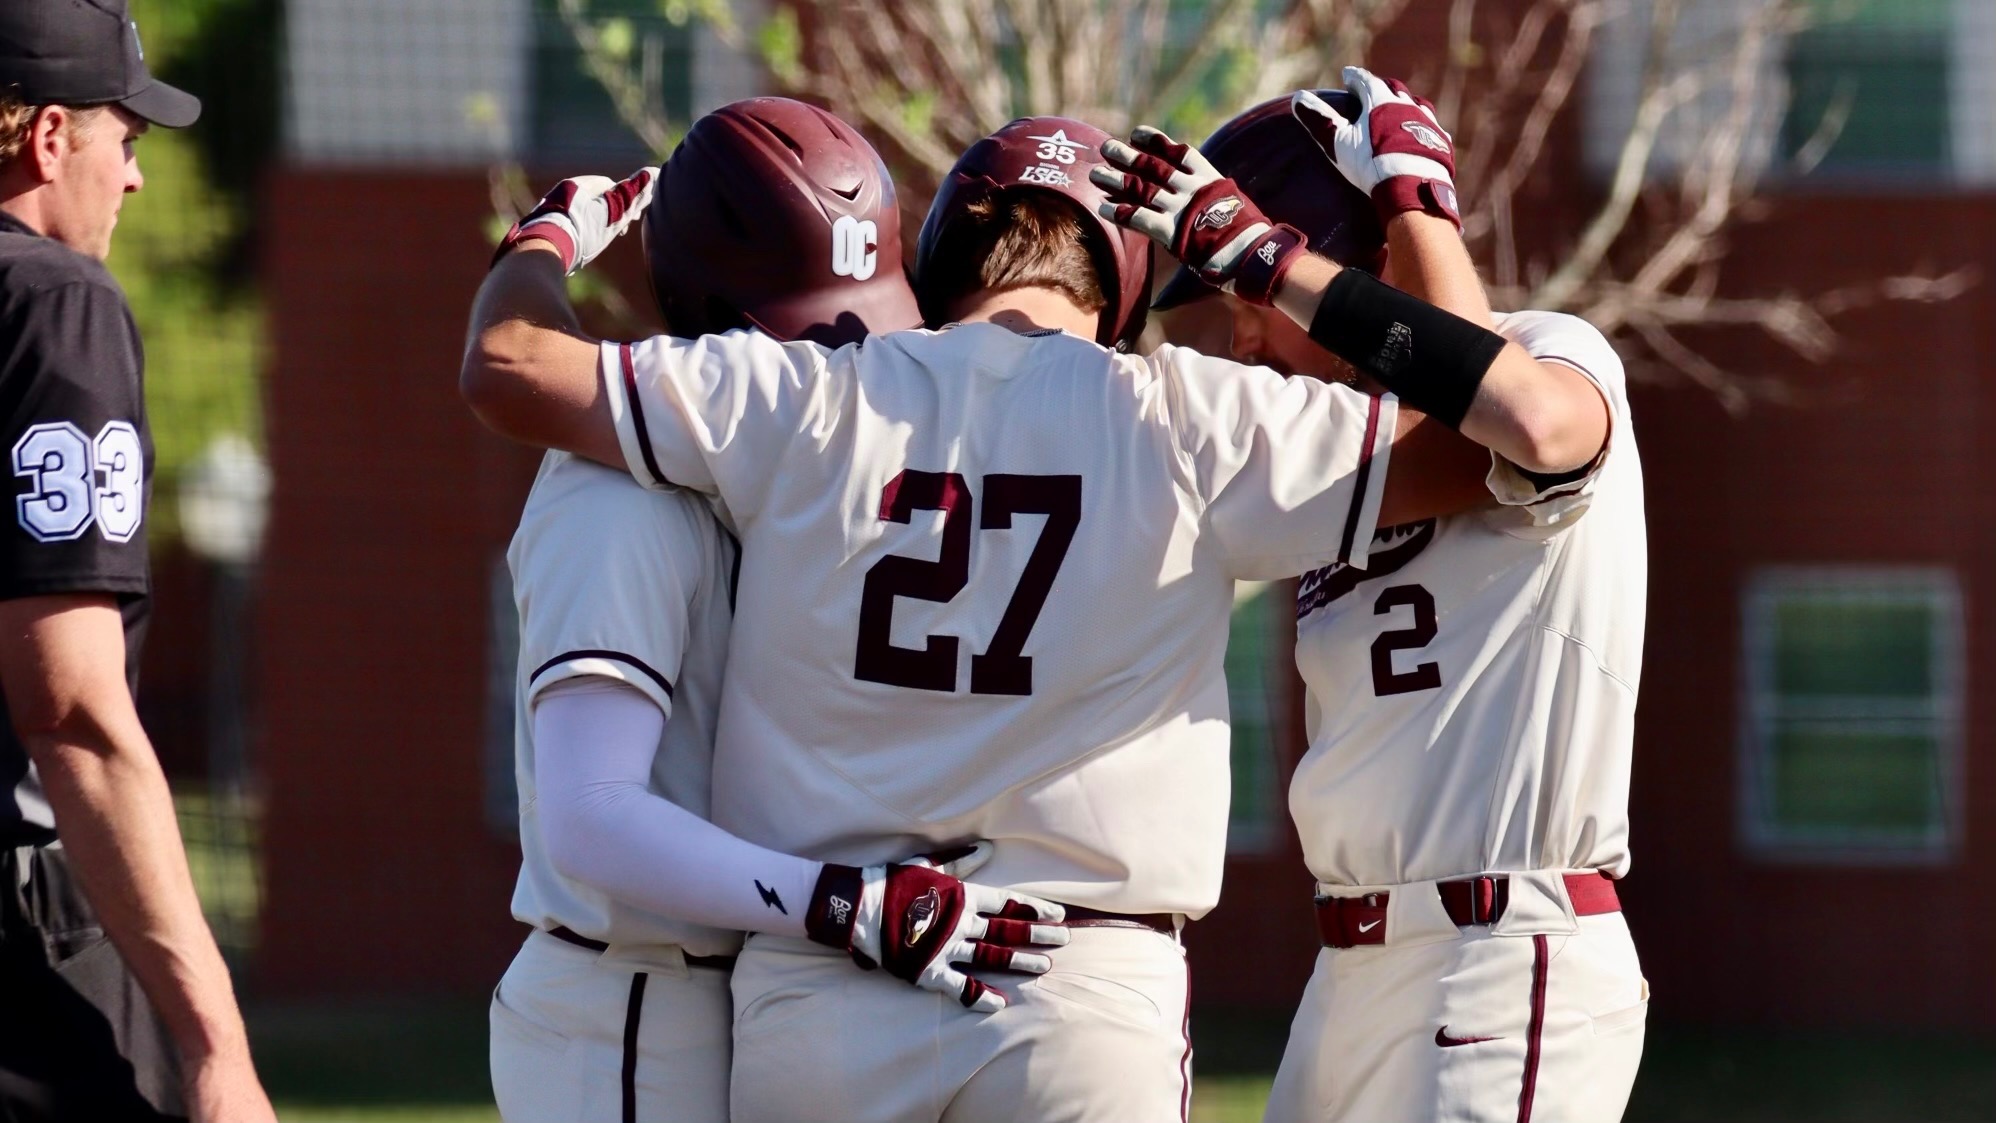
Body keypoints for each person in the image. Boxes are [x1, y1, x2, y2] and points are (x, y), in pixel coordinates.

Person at [461, 110, 1508, 1120]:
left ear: (932, 260)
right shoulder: (1188, 417)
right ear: (1121, 290)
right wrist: (1368, 233)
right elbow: (1507, 431)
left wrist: (543, 242)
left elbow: (509, 364)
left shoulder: (803, 393)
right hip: (1079, 985)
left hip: (827, 981)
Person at [487, 97, 1066, 1123]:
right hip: (628, 1009)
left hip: (766, 988)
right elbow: (589, 816)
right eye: (807, 332)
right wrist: (843, 901)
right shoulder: (615, 490)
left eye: (863, 327)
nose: (843, 360)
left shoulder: (802, 465)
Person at [1108, 69, 1647, 1122]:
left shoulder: (1551, 351)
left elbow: (1523, 427)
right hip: (1350, 971)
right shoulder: (1327, 451)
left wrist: (1356, 233)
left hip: (1504, 944)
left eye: (1247, 299)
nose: (1248, 334)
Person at [0, 2, 276, 1121]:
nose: (135, 179)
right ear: (49, 137)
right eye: (128, 139)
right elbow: (68, 705)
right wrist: (214, 1042)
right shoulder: (50, 302)